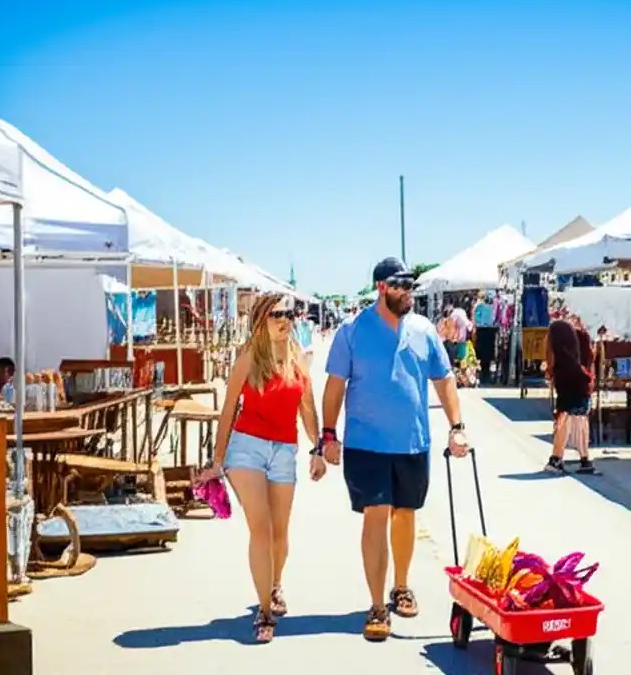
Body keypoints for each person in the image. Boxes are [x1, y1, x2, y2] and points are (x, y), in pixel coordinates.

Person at [321, 257, 468, 642]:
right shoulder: (352, 331)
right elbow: (335, 387)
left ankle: (401, 586)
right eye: (402, 287)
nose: (409, 295)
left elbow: (445, 380)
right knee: (376, 514)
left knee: (405, 516)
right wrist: (328, 435)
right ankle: (376, 605)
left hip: (412, 443)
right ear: (382, 288)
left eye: (412, 288)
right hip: (365, 445)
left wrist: (457, 427)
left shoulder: (423, 331)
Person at [194, 293, 327, 644]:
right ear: (260, 321)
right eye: (276, 315)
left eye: (290, 313)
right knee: (262, 528)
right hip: (246, 448)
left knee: (281, 532)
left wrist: (318, 448)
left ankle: (275, 584)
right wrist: (217, 462)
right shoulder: (250, 357)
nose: (285, 320)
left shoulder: (298, 358)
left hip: (284, 450)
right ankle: (264, 610)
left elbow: (307, 408)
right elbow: (227, 411)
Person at [545, 317, 597, 474]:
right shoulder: (577, 347)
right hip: (582, 386)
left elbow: (552, 362)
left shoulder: (561, 358)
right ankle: (585, 459)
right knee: (580, 420)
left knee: (564, 421)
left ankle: (557, 458)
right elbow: (589, 360)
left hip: (569, 388)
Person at [472, 292, 498, 385]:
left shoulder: (485, 307)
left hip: (485, 331)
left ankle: (485, 374)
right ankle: (485, 374)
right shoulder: (488, 307)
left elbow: (476, 318)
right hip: (487, 331)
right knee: (486, 355)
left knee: (485, 355)